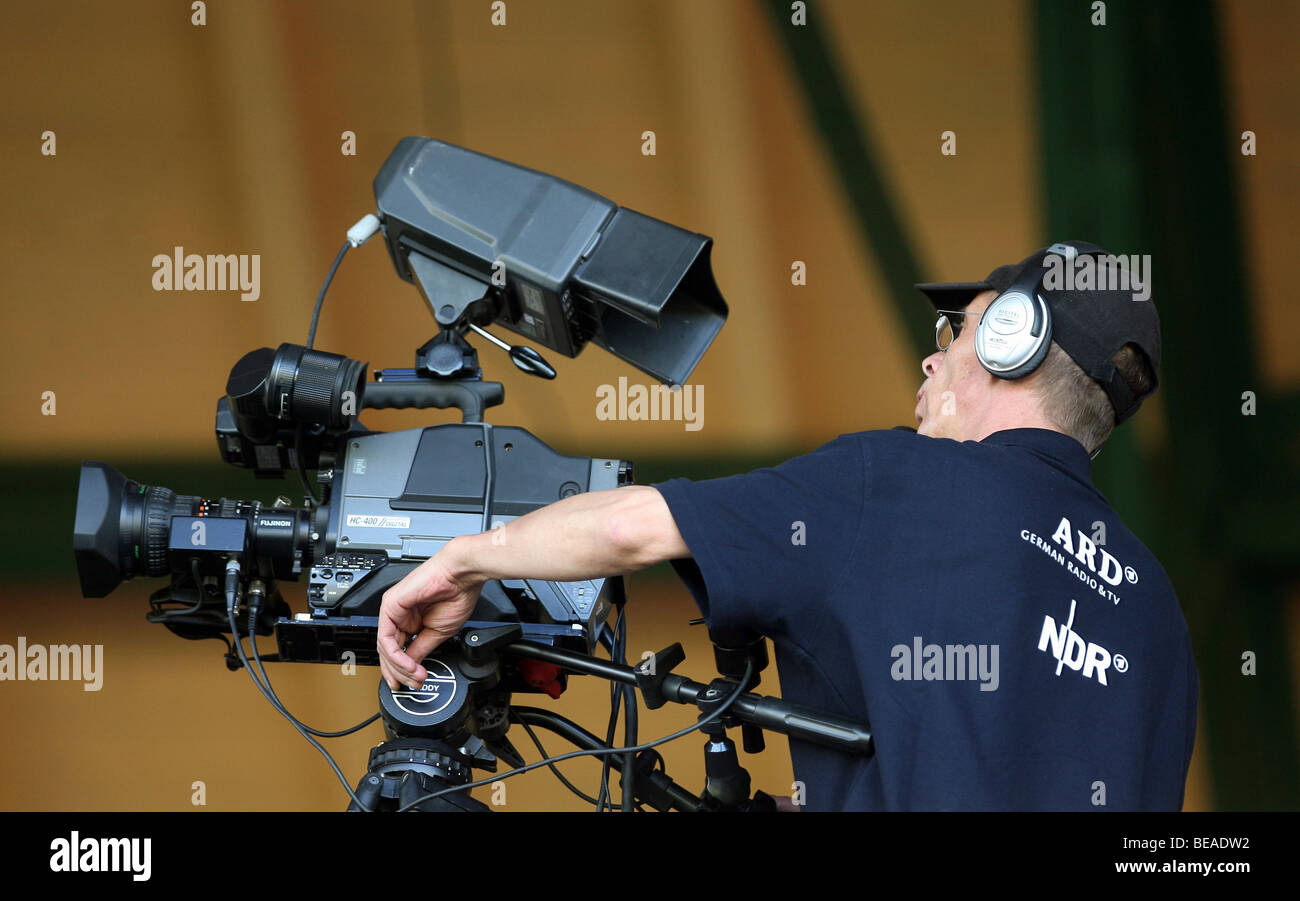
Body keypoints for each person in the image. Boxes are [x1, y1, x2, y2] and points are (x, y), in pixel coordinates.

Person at [376, 240, 1199, 811]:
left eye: (954, 333)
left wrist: (465, 559)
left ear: (1012, 340)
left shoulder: (898, 481)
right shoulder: (1158, 613)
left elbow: (630, 529)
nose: (932, 359)